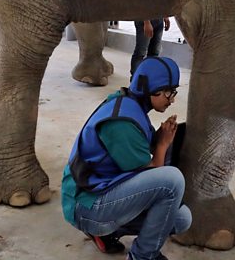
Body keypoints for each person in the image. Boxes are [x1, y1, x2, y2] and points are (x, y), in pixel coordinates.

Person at [62, 56, 191, 260]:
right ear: (151, 88)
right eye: (168, 92)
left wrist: (161, 138)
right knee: (172, 181)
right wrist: (162, 144)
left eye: (173, 92)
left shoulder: (131, 104)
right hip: (86, 205)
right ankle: (142, 256)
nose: (172, 99)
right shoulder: (122, 122)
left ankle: (110, 233)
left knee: (181, 218)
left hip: (105, 191)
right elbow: (155, 169)